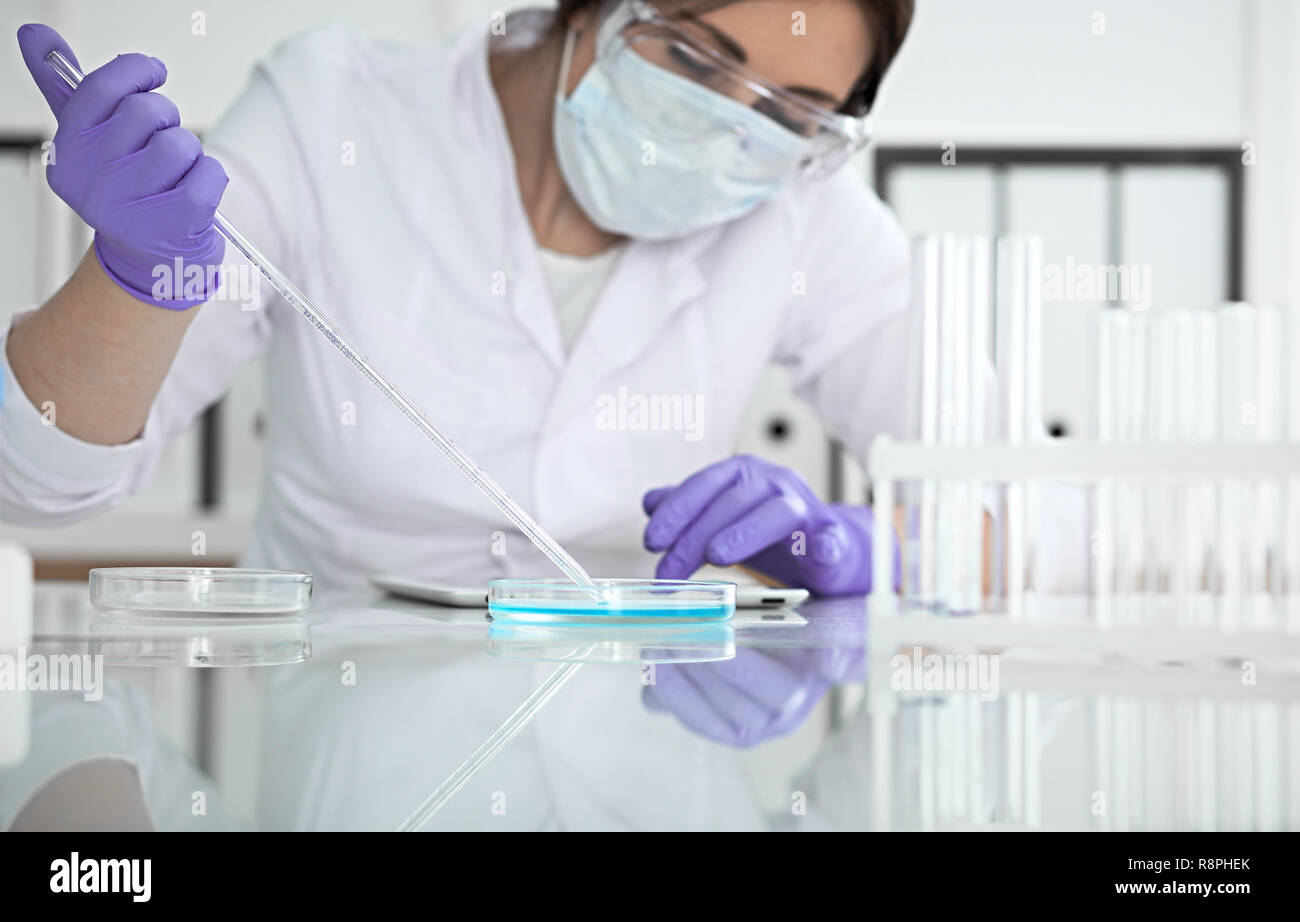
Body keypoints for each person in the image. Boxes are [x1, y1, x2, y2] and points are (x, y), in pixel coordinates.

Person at [3, 0, 915, 593]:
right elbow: (37, 487)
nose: (732, 129)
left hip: (641, 756)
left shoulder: (809, 209)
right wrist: (133, 276)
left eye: (791, 113)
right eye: (693, 56)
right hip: (355, 743)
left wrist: (859, 547)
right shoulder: (331, 111)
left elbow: (1025, 514)